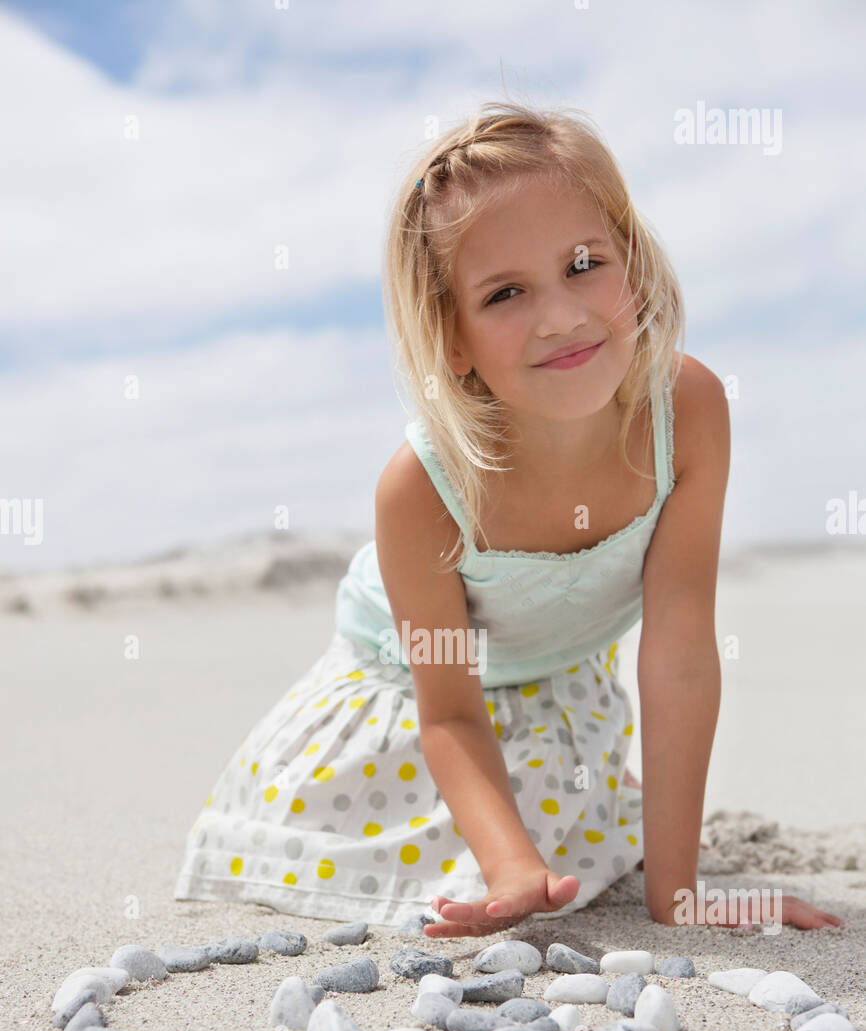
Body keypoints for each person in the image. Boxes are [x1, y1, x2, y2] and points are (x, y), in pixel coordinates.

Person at [173, 100, 842, 938]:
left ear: (633, 261)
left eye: (585, 263)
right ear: (452, 338)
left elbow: (678, 650)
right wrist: (510, 865)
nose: (560, 316)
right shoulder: (423, 488)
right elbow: (448, 710)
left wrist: (680, 893)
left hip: (556, 686)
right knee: (477, 857)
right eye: (505, 293)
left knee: (593, 838)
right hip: (415, 708)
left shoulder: (689, 409)